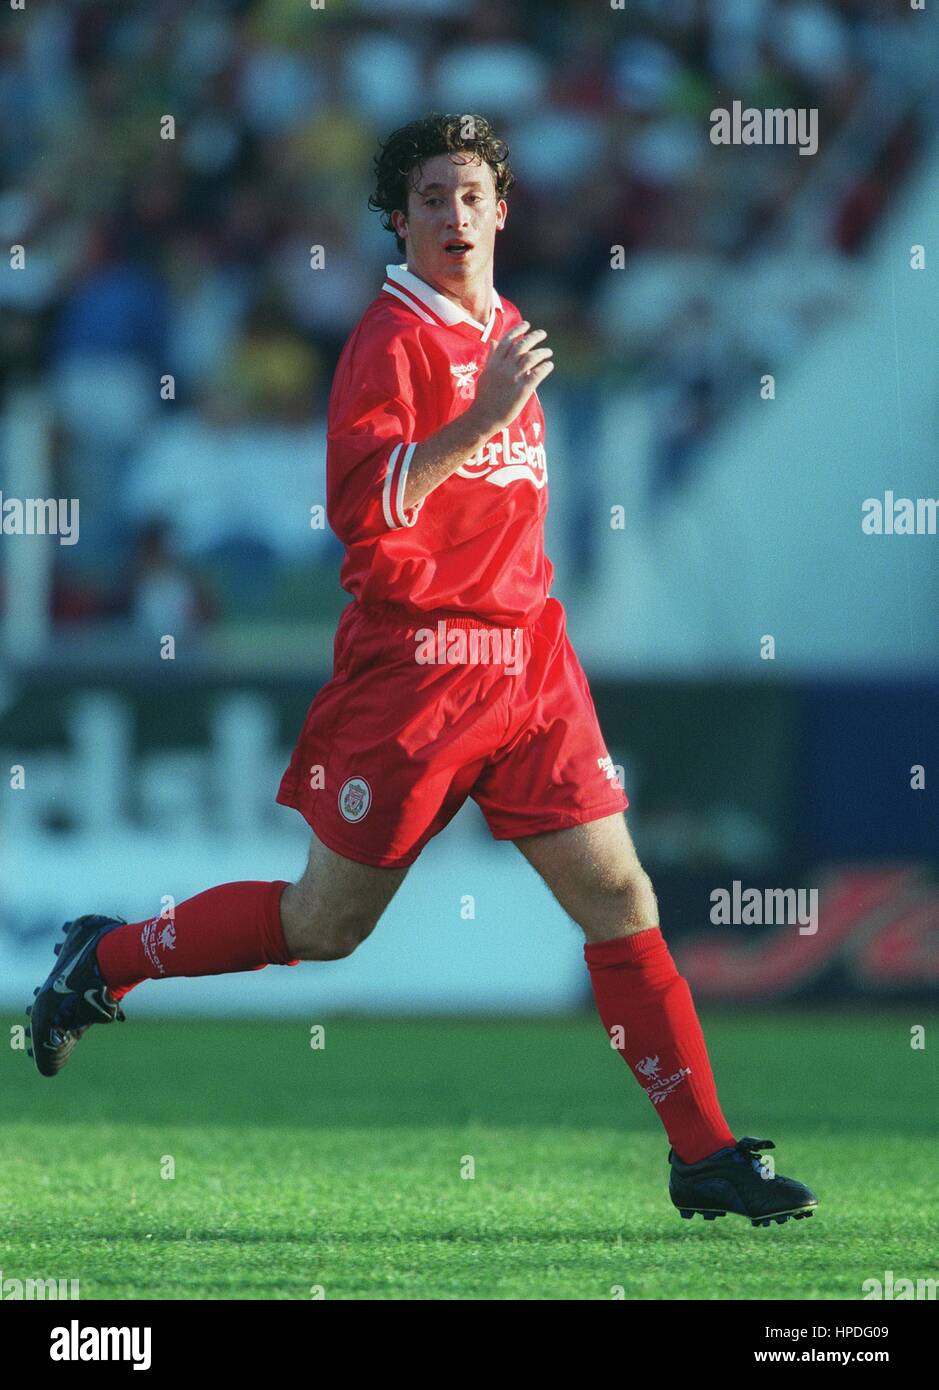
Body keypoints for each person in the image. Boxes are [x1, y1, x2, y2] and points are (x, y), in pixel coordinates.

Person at [29, 113, 816, 1228]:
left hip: (530, 663)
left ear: (504, 208)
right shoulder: (389, 341)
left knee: (621, 898)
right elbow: (358, 508)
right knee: (324, 924)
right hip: (421, 670)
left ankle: (706, 1155)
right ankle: (101, 958)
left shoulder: (508, 326)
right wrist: (481, 417)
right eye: (432, 198)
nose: (455, 215)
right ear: (399, 219)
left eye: (473, 194)